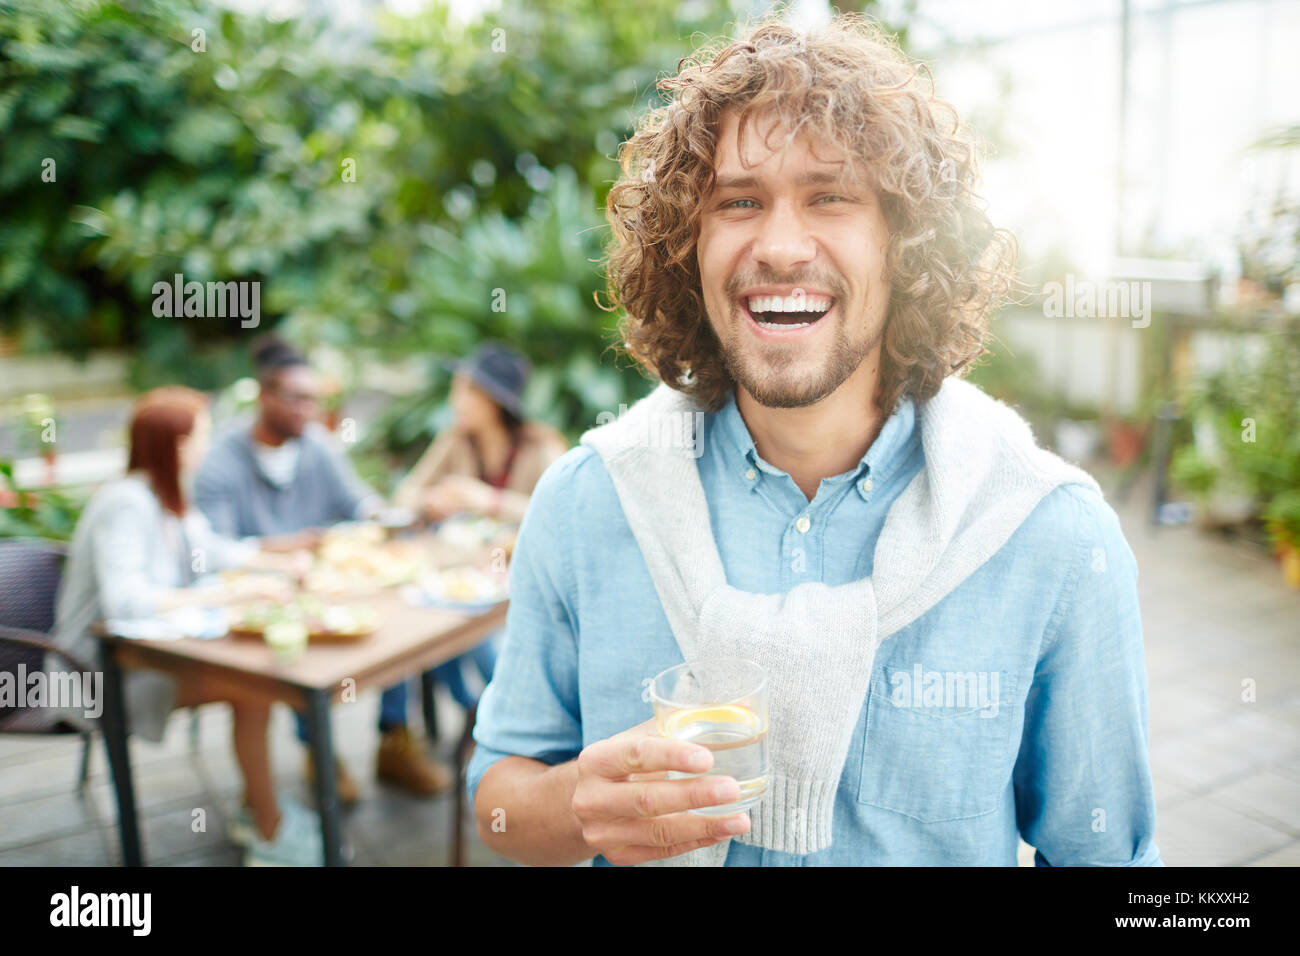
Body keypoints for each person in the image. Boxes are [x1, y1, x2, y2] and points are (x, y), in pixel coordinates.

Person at [468, 14, 1162, 867]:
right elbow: (496, 802)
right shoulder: (588, 503)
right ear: (688, 245)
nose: (781, 246)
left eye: (831, 196)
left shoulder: (1049, 538)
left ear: (904, 243)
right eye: (739, 202)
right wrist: (576, 805)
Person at [49, 387, 323, 866]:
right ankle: (268, 827)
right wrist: (231, 592)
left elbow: (214, 551)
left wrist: (278, 563)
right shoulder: (127, 503)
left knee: (259, 683)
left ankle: (258, 810)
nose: (208, 446)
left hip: (144, 656)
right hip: (96, 674)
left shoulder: (167, 495)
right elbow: (126, 602)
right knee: (256, 687)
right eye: (201, 435)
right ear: (175, 443)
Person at [194, 337, 452, 800]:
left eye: (314, 399)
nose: (307, 410)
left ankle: (394, 740)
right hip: (266, 591)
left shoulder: (317, 446)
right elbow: (215, 549)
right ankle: (321, 752)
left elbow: (356, 501)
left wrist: (390, 517)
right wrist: (287, 550)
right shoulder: (221, 460)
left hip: (334, 579)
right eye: (296, 398)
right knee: (296, 649)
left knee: (400, 623)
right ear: (264, 396)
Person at [392, 343, 568, 710]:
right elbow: (406, 495)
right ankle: (475, 713)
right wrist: (432, 501)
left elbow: (563, 512)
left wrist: (485, 500)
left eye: (464, 390)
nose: (454, 400)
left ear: (492, 400)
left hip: (518, 588)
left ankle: (502, 710)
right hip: (461, 577)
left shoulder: (541, 448)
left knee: (474, 640)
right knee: (433, 633)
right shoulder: (455, 440)